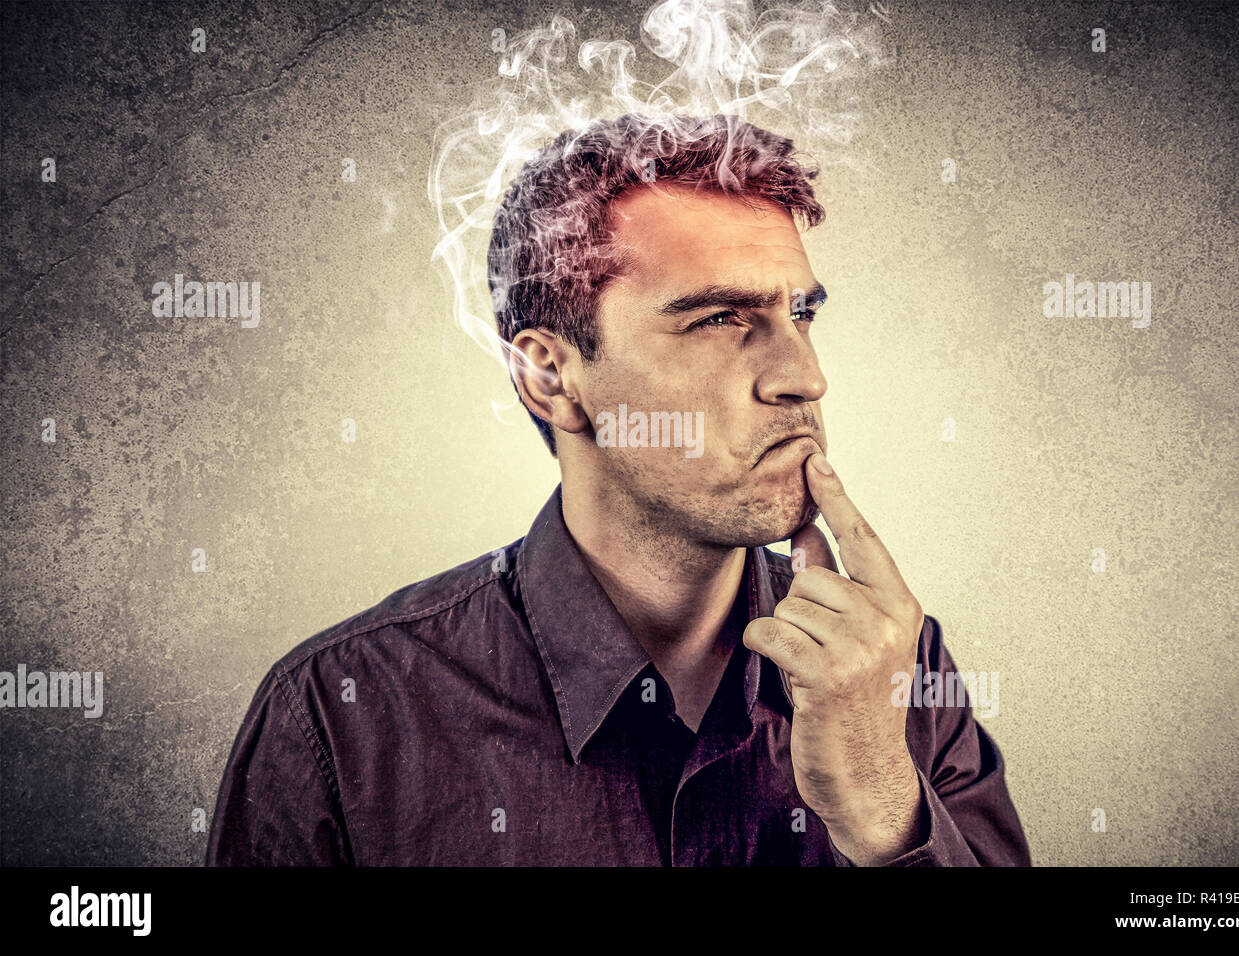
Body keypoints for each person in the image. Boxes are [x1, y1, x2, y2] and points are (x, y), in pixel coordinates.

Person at [207, 113, 1031, 866]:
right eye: (718, 320)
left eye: (801, 314)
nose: (804, 376)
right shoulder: (342, 715)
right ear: (551, 377)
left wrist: (884, 811)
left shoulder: (897, 666)